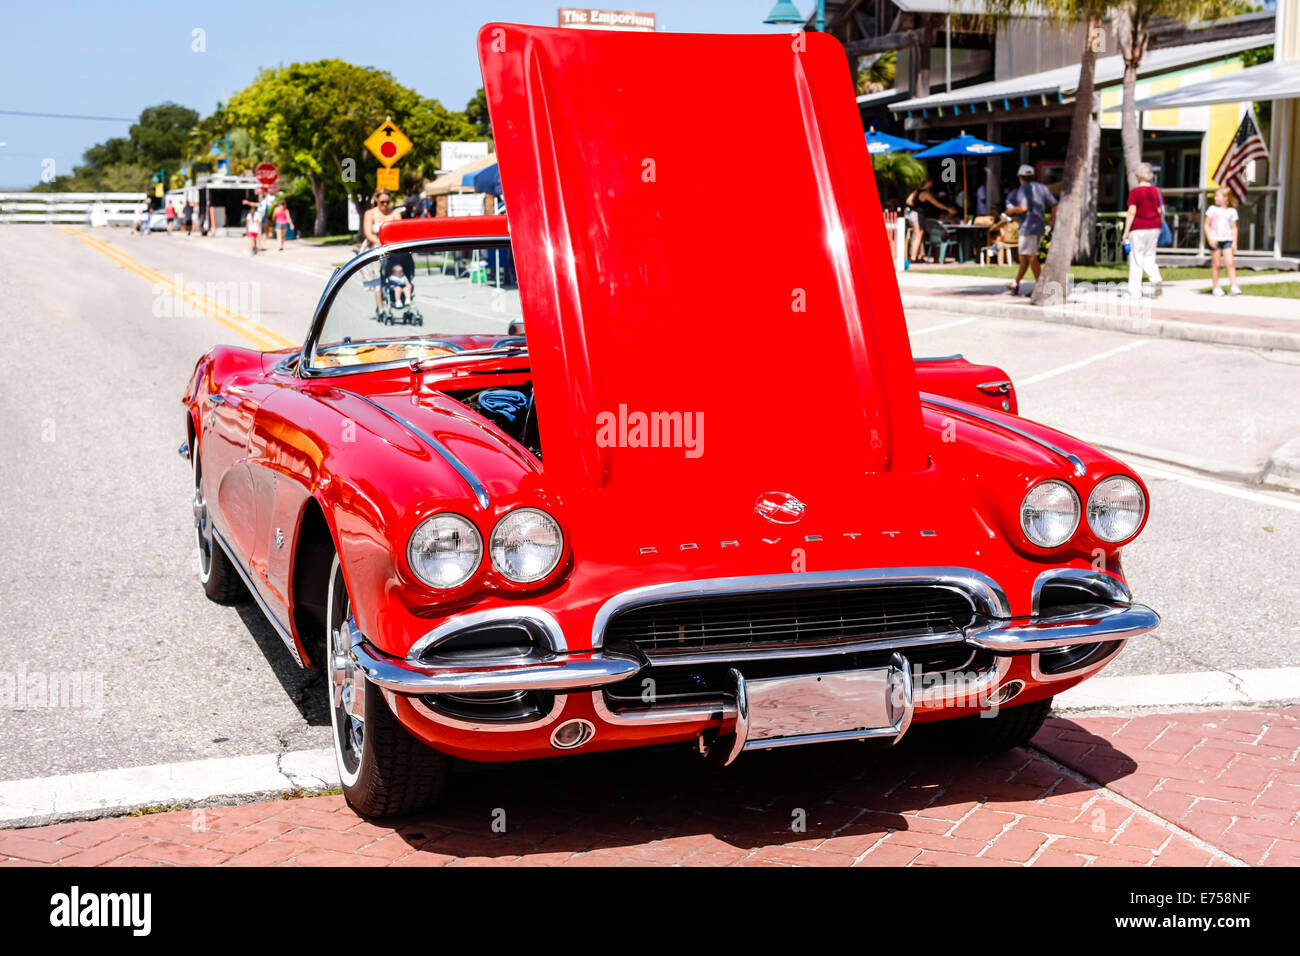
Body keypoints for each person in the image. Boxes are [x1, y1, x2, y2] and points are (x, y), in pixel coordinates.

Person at [1004, 164, 1057, 295]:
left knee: (1031, 257)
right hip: (1039, 225)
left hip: (1028, 226)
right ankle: (1015, 283)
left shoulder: (1023, 189)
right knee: (1025, 257)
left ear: (1020, 178)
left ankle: (1040, 287)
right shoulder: (1042, 188)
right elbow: (1055, 204)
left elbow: (1023, 208)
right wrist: (1052, 220)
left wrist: (1011, 210)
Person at [1121, 162, 1165, 299]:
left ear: (1139, 176)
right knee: (1150, 257)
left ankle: (1134, 292)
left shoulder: (1135, 192)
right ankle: (1156, 280)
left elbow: (1132, 212)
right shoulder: (1156, 191)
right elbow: (1160, 210)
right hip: (1155, 226)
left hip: (1139, 227)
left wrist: (1126, 231)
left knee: (1136, 259)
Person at [361, 190, 402, 312]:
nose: (384, 204)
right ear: (376, 201)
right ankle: (380, 307)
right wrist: (380, 244)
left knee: (397, 272)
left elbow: (400, 231)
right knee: (377, 277)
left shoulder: (395, 214)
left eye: (387, 202)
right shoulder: (370, 213)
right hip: (374, 246)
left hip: (392, 247)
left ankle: (398, 298)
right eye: (382, 202)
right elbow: (368, 233)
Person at [905, 178, 958, 262]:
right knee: (918, 235)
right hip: (918, 215)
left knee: (920, 235)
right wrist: (948, 209)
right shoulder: (925, 193)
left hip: (912, 214)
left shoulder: (917, 191)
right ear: (928, 183)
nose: (932, 184)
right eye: (931, 182)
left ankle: (918, 257)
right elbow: (937, 204)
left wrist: (915, 205)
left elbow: (908, 201)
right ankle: (913, 258)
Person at [1204, 189, 1241, 297]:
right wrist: (1210, 238)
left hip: (1227, 240)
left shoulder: (1232, 212)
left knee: (1230, 263)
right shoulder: (1212, 210)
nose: (1215, 198)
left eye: (1217, 196)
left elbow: (1234, 228)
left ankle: (1234, 287)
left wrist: (1234, 242)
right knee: (1217, 264)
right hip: (1215, 240)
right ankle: (1216, 287)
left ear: (1226, 198)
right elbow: (1206, 225)